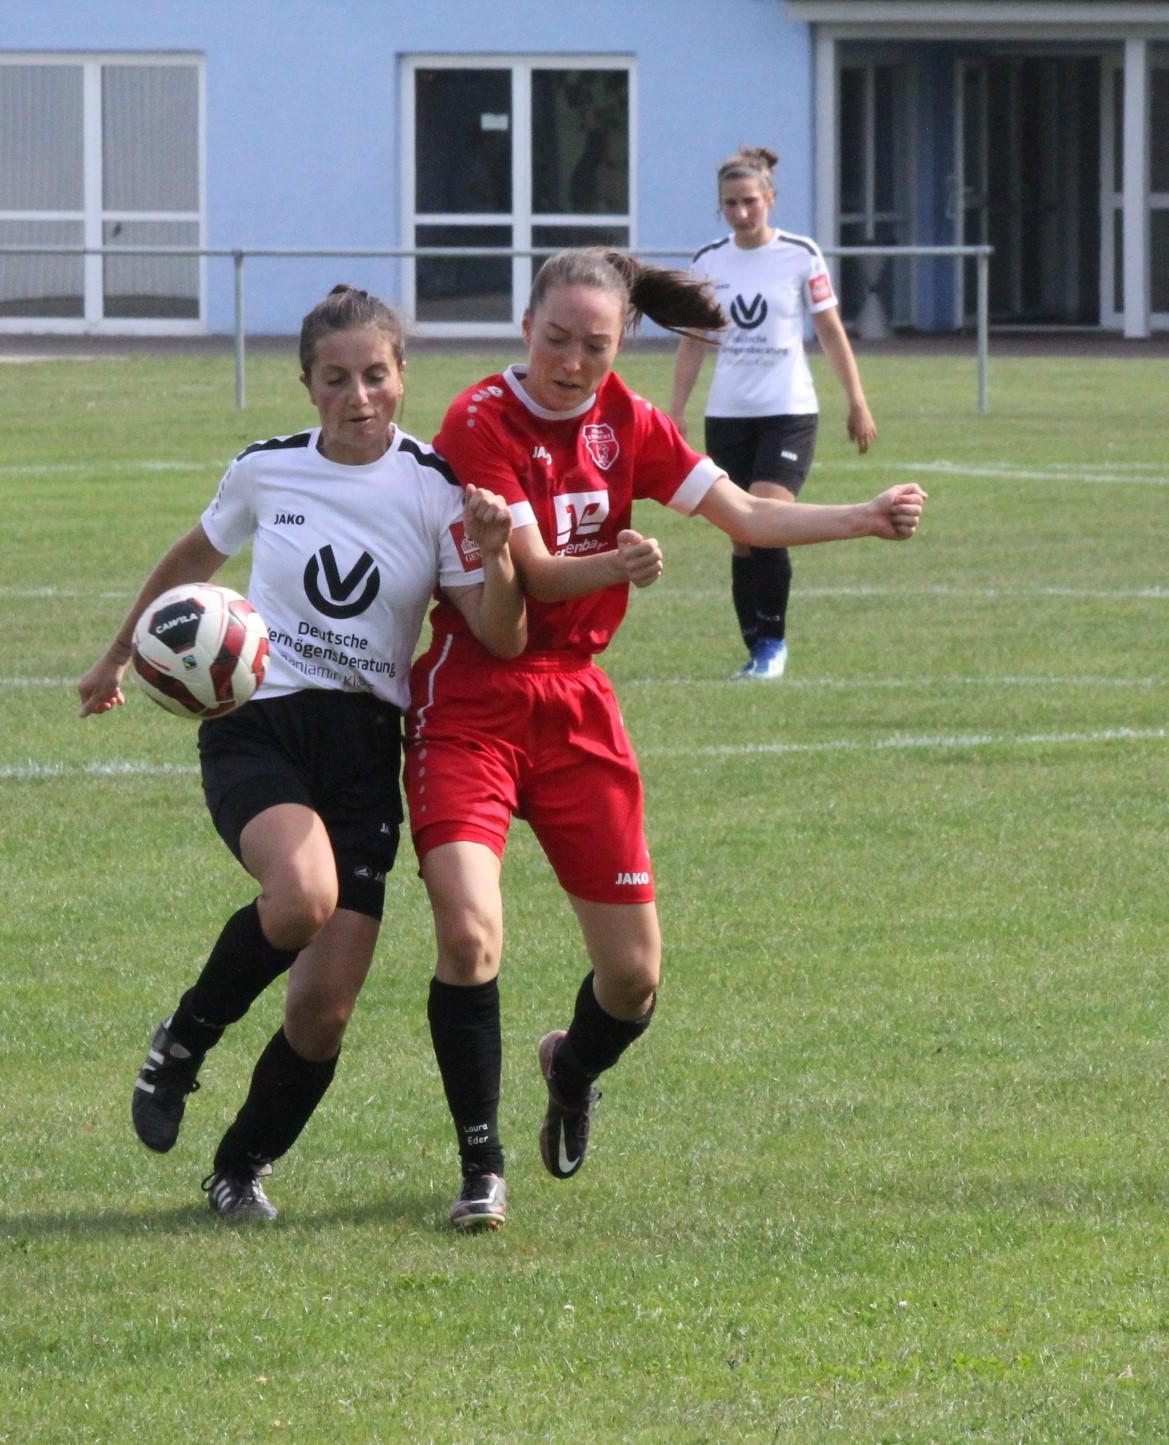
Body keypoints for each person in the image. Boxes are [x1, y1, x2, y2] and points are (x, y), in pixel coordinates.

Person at [407, 247, 924, 1232]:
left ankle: (573, 1065)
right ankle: (481, 1167)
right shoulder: (480, 418)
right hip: (473, 693)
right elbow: (527, 583)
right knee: (471, 932)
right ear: (525, 327)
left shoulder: (628, 422)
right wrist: (615, 561)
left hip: (576, 707)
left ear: (621, 341)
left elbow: (742, 517)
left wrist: (864, 516)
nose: (571, 360)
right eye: (555, 338)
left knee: (635, 976)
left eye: (594, 345)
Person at [77, 285, 525, 1222]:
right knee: (301, 894)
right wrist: (120, 651)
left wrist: (497, 554)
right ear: (306, 383)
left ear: (402, 376)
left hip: (363, 743)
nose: (357, 396)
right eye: (335, 378)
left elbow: (496, 628)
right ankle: (185, 1040)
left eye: (374, 375)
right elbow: (189, 562)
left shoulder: (436, 488)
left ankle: (238, 1167)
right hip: (261, 721)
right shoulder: (266, 471)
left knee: (323, 1011)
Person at [669, 145, 878, 680]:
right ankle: (755, 644)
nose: (741, 213)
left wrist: (856, 400)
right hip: (728, 414)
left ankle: (773, 646)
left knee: (768, 519)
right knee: (741, 531)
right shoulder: (709, 261)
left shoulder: (800, 255)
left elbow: (830, 330)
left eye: (749, 202)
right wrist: (677, 412)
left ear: (770, 199)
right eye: (730, 205)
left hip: (788, 411)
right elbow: (694, 341)